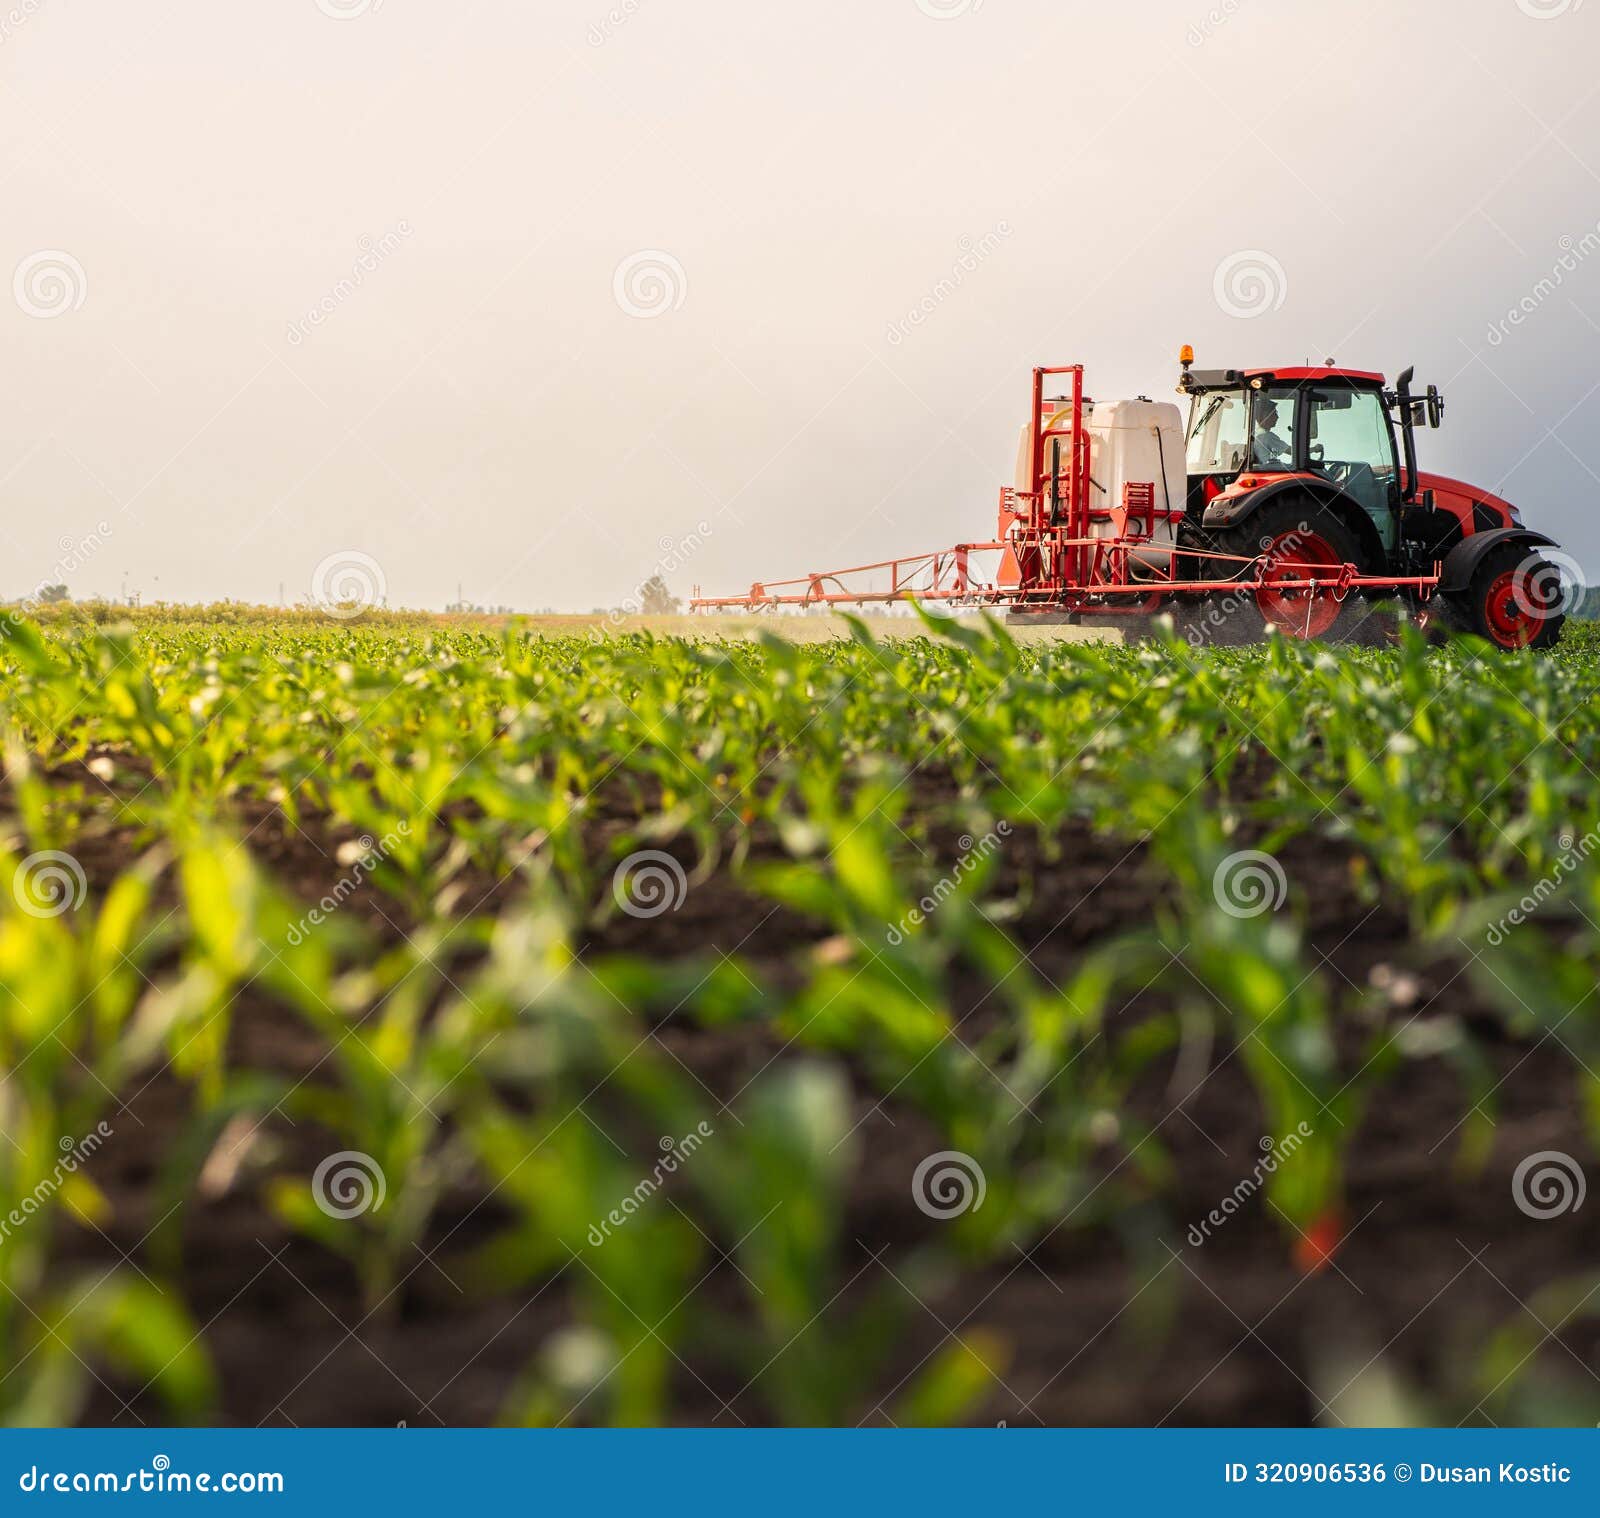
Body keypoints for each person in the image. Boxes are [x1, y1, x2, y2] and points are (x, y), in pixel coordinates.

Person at [1252, 398, 1292, 467]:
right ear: (1264, 416)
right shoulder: (1266, 436)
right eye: (1274, 413)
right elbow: (1291, 451)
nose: (1277, 417)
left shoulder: (1256, 434)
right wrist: (1315, 448)